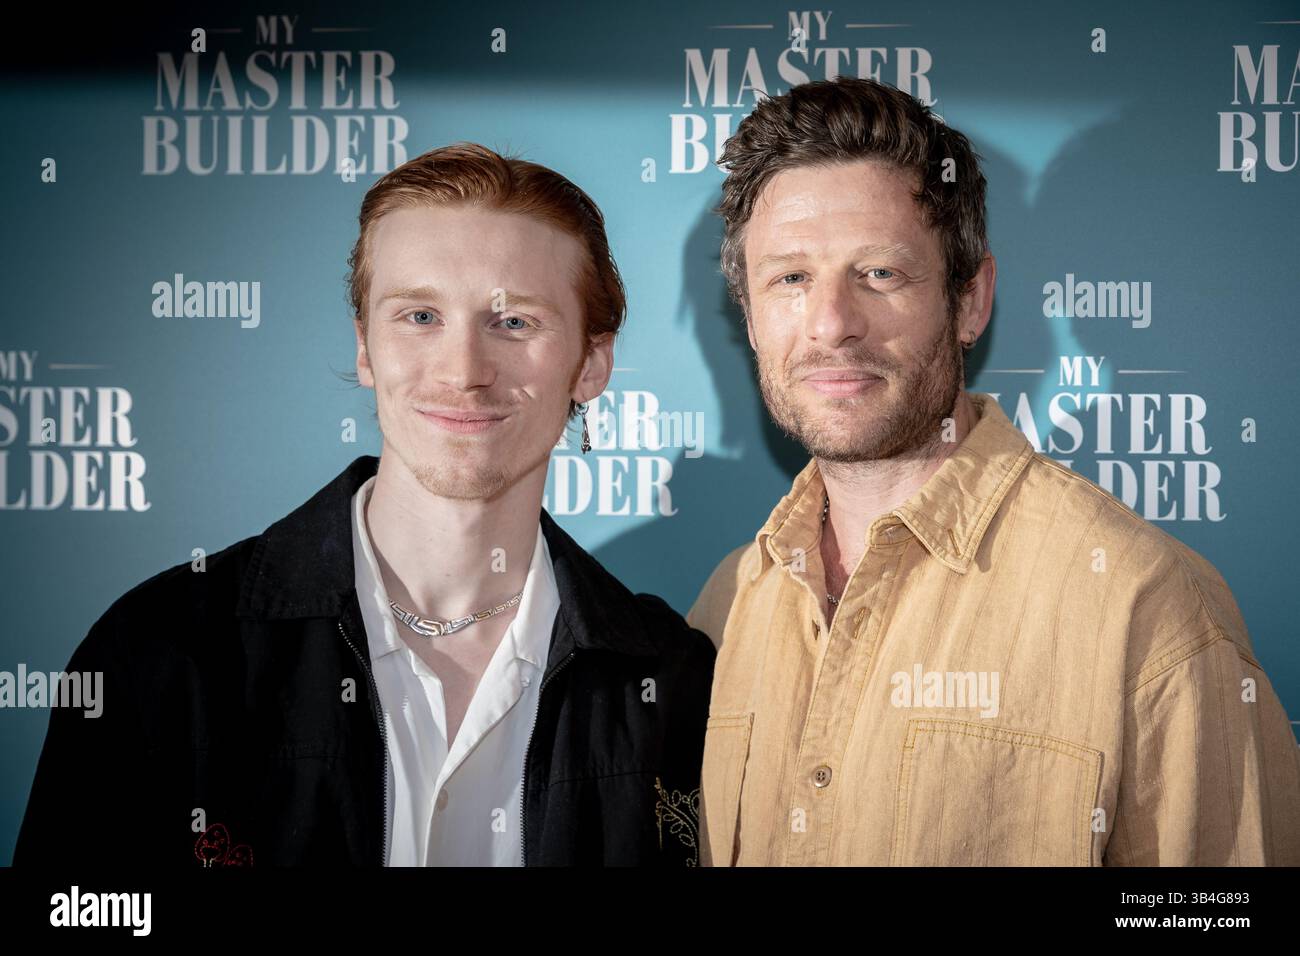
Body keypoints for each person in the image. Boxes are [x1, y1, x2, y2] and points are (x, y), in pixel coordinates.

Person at [16, 142, 714, 867]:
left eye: (514, 323)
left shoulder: (669, 682)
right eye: (419, 316)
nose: (464, 372)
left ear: (591, 365)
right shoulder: (162, 652)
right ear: (365, 348)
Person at [687, 77, 1300, 866]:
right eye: (791, 279)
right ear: (750, 313)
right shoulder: (727, 606)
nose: (832, 323)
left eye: (879, 273)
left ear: (971, 300)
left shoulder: (1143, 606)